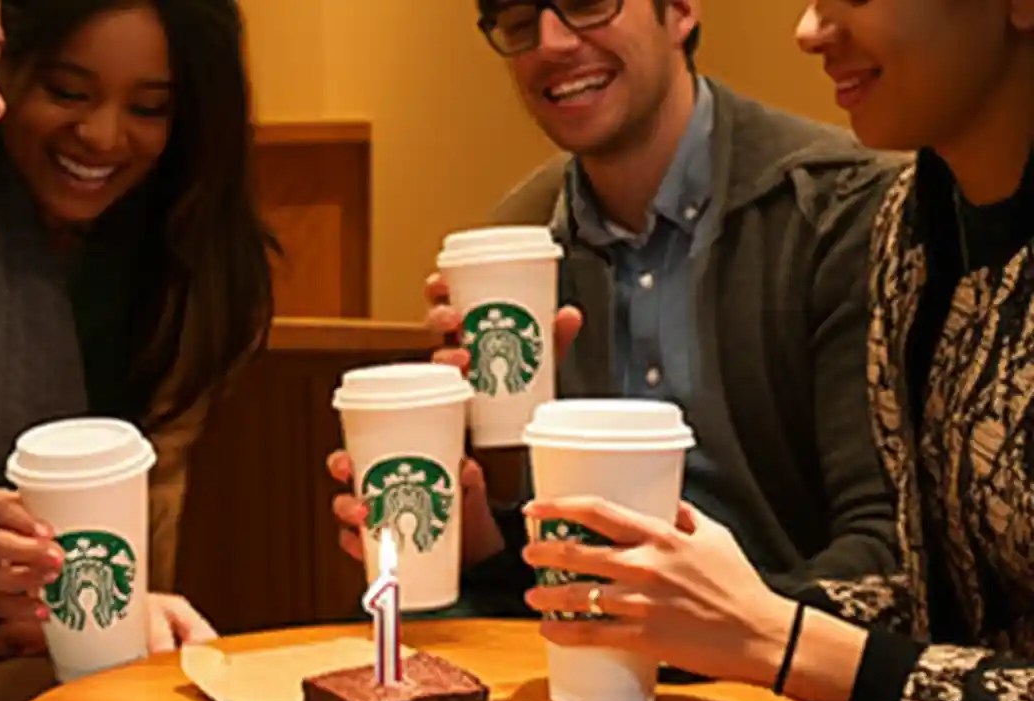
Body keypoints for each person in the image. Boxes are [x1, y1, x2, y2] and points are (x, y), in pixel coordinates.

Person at [520, 0, 1034, 701]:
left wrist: (774, 637)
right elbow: (925, 598)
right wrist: (688, 615)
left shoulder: (838, 205)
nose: (808, 31)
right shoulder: (910, 230)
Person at [330, 0, 902, 613]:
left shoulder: (839, 210)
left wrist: (702, 630)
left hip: (785, 684)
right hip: (581, 671)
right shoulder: (522, 242)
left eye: (585, 4)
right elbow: (556, 585)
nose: (551, 43)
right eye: (520, 22)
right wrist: (479, 540)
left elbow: (884, 553)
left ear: (681, 10)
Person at [0, 0, 274, 701]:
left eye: (149, 107)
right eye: (67, 93)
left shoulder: (185, 269)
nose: (102, 135)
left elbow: (140, 545)